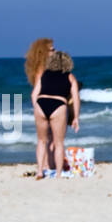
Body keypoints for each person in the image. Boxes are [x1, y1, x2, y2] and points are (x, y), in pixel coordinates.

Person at [31, 49, 81, 178]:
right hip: (58, 105)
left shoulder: (44, 74)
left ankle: (40, 171)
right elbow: (76, 98)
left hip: (41, 104)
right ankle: (58, 174)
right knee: (59, 142)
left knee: (41, 141)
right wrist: (75, 117)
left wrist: (37, 107)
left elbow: (34, 94)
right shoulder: (70, 76)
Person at [24, 38, 55, 173]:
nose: (55, 51)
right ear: (44, 52)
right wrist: (38, 107)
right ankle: (46, 167)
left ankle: (47, 166)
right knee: (47, 139)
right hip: (46, 106)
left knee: (47, 138)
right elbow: (35, 93)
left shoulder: (46, 68)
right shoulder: (42, 70)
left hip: (44, 106)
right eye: (52, 49)